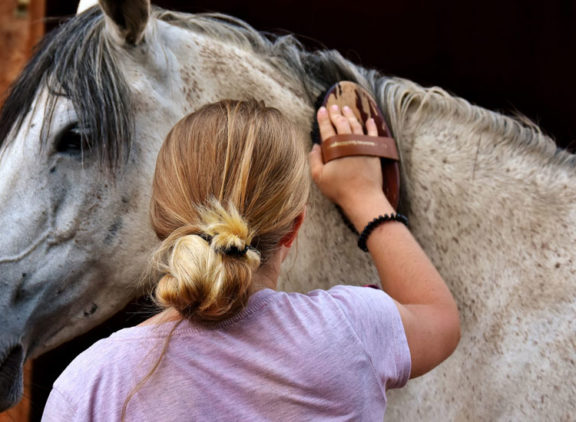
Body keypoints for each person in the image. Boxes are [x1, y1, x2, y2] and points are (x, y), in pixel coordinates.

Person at [42, 95, 460, 421]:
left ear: (160, 222)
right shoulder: (351, 330)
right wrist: (364, 196)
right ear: (294, 227)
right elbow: (438, 318)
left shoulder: (90, 387)